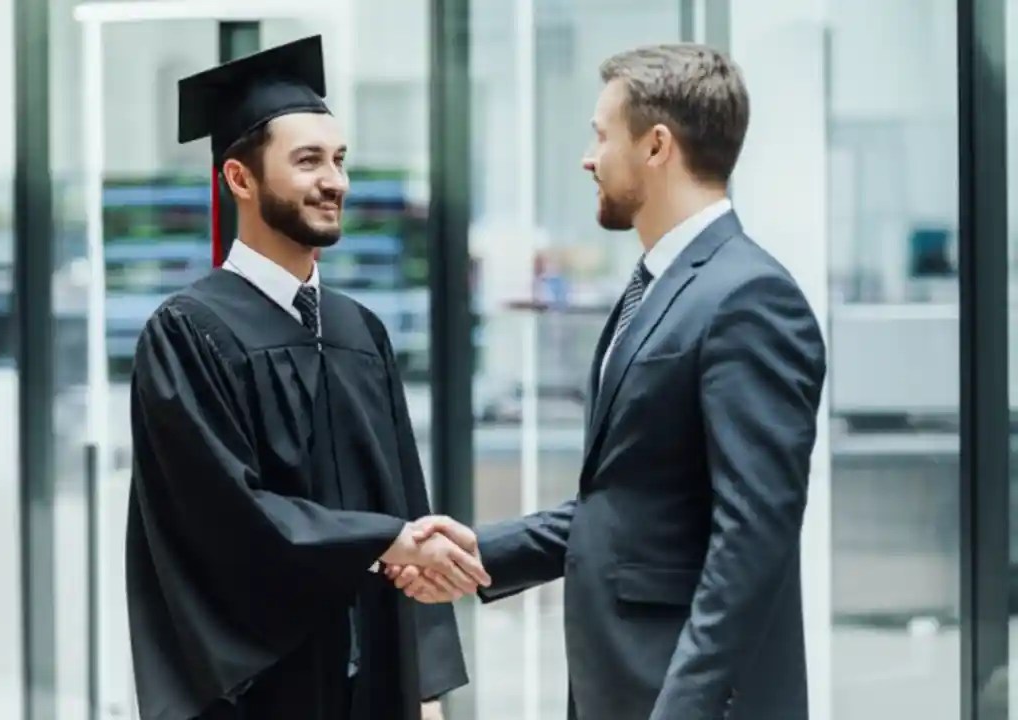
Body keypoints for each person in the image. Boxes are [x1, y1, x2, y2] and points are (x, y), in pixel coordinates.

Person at [393, 43, 827, 719]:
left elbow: (753, 539)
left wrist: (682, 707)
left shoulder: (748, 297)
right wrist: (484, 554)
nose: (588, 158)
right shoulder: (654, 291)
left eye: (600, 135)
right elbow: (632, 502)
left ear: (656, 146)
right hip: (621, 688)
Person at [126, 35, 487, 720]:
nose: (335, 181)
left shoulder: (360, 332)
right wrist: (382, 538)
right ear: (240, 179)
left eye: (340, 160)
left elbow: (407, 499)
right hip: (261, 694)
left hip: (376, 687)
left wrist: (430, 690)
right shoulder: (188, 333)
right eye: (308, 160)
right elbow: (223, 517)